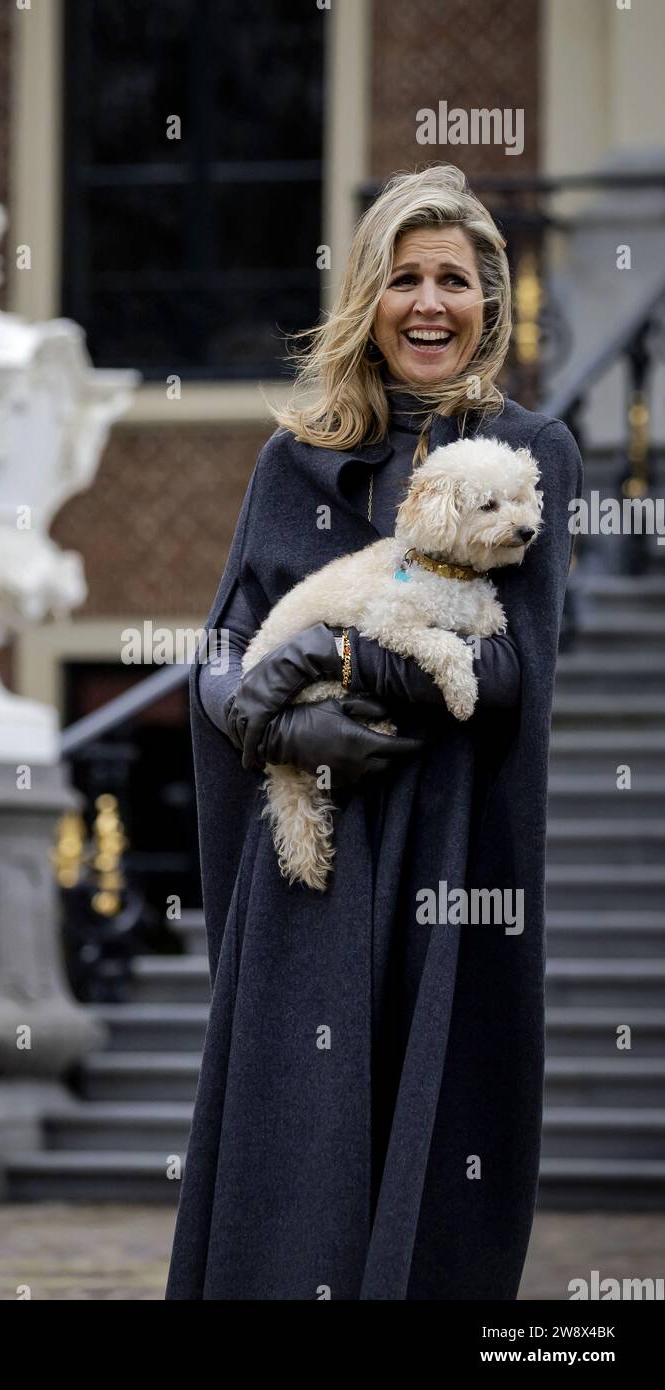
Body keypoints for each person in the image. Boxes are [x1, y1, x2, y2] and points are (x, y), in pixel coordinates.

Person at [165, 164, 583, 1301]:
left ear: (489, 304)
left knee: (426, 1178)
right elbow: (221, 647)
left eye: (453, 279)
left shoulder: (526, 456)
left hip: (443, 862)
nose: (429, 302)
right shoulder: (286, 459)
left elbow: (508, 673)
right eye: (403, 277)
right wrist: (258, 708)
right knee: (291, 1170)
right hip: (307, 877)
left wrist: (337, 660)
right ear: (367, 295)